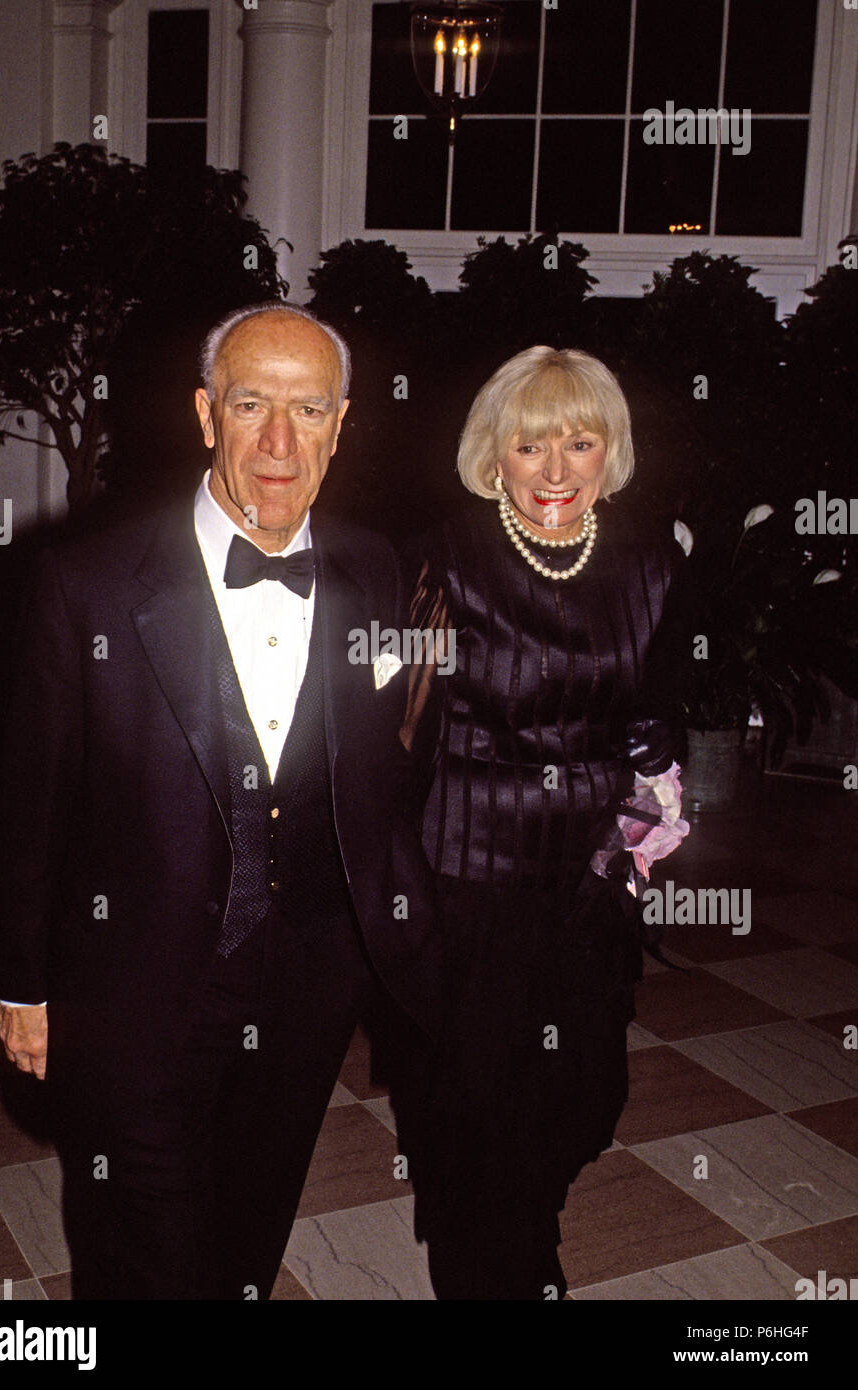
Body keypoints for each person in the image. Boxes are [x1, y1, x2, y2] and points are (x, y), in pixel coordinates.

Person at [0, 302, 439, 1300]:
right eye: (250, 404)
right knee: (143, 1258)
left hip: (305, 989)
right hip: (132, 990)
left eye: (308, 409)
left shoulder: (373, 569)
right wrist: (22, 986)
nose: (279, 443)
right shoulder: (86, 585)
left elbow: (379, 773)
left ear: (342, 423)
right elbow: (28, 807)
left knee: (246, 1239)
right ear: (205, 414)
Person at [397, 346, 688, 1300]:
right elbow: (396, 720)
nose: (556, 472)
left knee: (582, 1094)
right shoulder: (448, 553)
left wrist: (660, 731)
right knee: (479, 1095)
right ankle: (500, 1263)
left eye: (579, 442)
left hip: (587, 874)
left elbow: (658, 697)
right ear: (494, 456)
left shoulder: (649, 560)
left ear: (612, 451)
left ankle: (510, 1210)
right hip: (466, 863)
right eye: (530, 447)